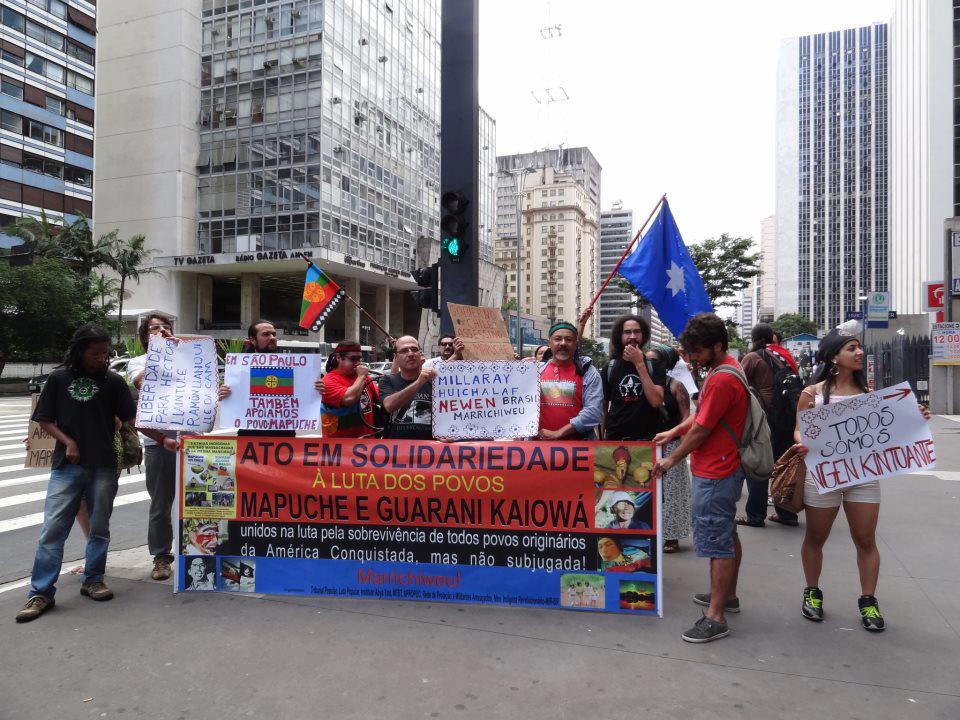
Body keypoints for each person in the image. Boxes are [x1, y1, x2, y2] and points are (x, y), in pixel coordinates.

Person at [792, 329, 930, 632]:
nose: (859, 352)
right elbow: (798, 429)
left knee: (866, 540)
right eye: (851, 348)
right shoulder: (812, 393)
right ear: (833, 357)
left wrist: (915, 416)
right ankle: (812, 592)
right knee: (815, 537)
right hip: (824, 475)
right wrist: (802, 442)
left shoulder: (870, 396)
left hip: (863, 476)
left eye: (858, 347)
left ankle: (868, 600)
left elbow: (892, 428)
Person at [16, 324, 137, 623]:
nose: (102, 358)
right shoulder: (58, 379)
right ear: (80, 351)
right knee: (53, 530)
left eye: (105, 353)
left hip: (104, 465)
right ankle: (41, 592)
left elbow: (132, 416)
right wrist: (68, 442)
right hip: (66, 467)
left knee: (99, 528)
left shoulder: (113, 381)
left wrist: (132, 425)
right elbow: (44, 419)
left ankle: (93, 579)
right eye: (95, 353)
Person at [652, 313, 748, 643]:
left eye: (697, 351)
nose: (692, 358)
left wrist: (671, 459)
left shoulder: (721, 379)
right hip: (723, 466)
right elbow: (700, 417)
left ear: (717, 345)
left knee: (716, 540)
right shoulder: (727, 368)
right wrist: (673, 432)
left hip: (716, 470)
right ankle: (727, 595)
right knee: (726, 533)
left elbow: (702, 429)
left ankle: (716, 616)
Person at [127, 313, 183, 581]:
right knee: (161, 503)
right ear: (145, 335)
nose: (161, 330)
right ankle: (161, 557)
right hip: (160, 442)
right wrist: (161, 353)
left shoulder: (188, 358)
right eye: (154, 328)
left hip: (194, 439)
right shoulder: (138, 362)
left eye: (166, 327)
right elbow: (142, 382)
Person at [738, 323, 799, 527]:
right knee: (783, 465)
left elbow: (737, 382)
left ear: (754, 338)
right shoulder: (782, 356)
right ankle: (787, 514)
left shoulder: (753, 357)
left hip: (764, 418)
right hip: (787, 417)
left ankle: (755, 516)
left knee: (758, 464)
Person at [218, 320, 324, 431]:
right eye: (266, 334)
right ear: (252, 340)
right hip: (249, 434)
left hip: (284, 434)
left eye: (274, 334)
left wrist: (316, 389)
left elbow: (302, 397)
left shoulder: (293, 367)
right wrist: (224, 394)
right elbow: (236, 399)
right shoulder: (239, 368)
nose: (272, 337)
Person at [647, 343, 692, 553]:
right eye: (647, 360)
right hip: (646, 444)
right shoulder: (643, 382)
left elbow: (686, 417)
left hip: (671, 445)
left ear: (665, 363)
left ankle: (671, 536)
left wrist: (680, 450)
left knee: (672, 492)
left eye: (654, 360)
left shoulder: (676, 385)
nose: (650, 364)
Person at [600, 314, 665, 442]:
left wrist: (639, 364)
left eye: (637, 332)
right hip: (615, 440)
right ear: (620, 336)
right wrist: (601, 439)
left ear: (643, 335)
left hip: (647, 441)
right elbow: (603, 407)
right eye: (627, 332)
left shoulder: (655, 365)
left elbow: (656, 401)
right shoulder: (610, 367)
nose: (633, 336)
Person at [537, 321, 602, 440]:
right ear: (549, 343)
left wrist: (558, 433)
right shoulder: (536, 371)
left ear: (576, 344)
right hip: (539, 447)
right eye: (558, 339)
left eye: (568, 339)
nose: (563, 343)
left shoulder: (589, 372)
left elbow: (593, 412)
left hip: (578, 448)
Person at [378, 336, 436, 440]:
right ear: (396, 357)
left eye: (414, 349)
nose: (410, 354)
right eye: (404, 351)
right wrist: (419, 382)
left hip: (429, 448)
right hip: (396, 448)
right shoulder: (387, 380)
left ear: (420, 354)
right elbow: (389, 406)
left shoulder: (435, 381)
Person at [321, 341, 379, 438]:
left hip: (368, 442)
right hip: (340, 444)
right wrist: (361, 377)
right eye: (353, 359)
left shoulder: (364, 377)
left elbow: (382, 398)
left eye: (359, 359)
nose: (357, 363)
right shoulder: (327, 381)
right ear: (338, 357)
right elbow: (349, 399)